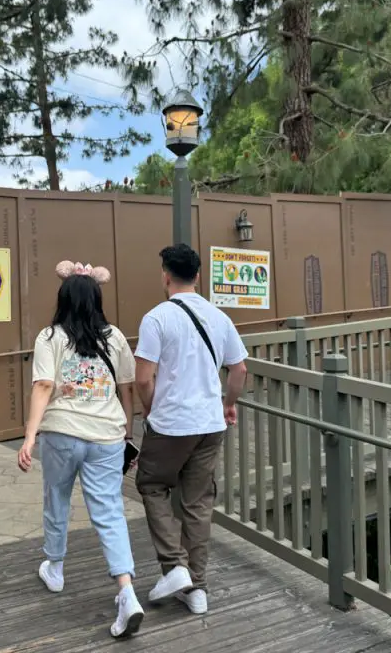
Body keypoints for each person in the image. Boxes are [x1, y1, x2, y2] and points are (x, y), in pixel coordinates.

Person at [16, 260, 144, 639]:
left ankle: (54, 568)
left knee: (56, 496)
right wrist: (127, 430)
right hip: (106, 435)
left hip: (61, 433)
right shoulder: (115, 337)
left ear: (63, 298)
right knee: (109, 511)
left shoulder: (50, 337)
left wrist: (29, 436)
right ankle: (126, 590)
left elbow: (42, 386)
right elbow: (127, 388)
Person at [133, 244, 249, 616]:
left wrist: (151, 409)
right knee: (198, 503)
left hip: (170, 424)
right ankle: (197, 588)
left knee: (152, 485)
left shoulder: (156, 318)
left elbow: (143, 378)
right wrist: (228, 404)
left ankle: (175, 566)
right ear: (198, 275)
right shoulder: (219, 317)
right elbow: (239, 369)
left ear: (165, 274)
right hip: (209, 424)